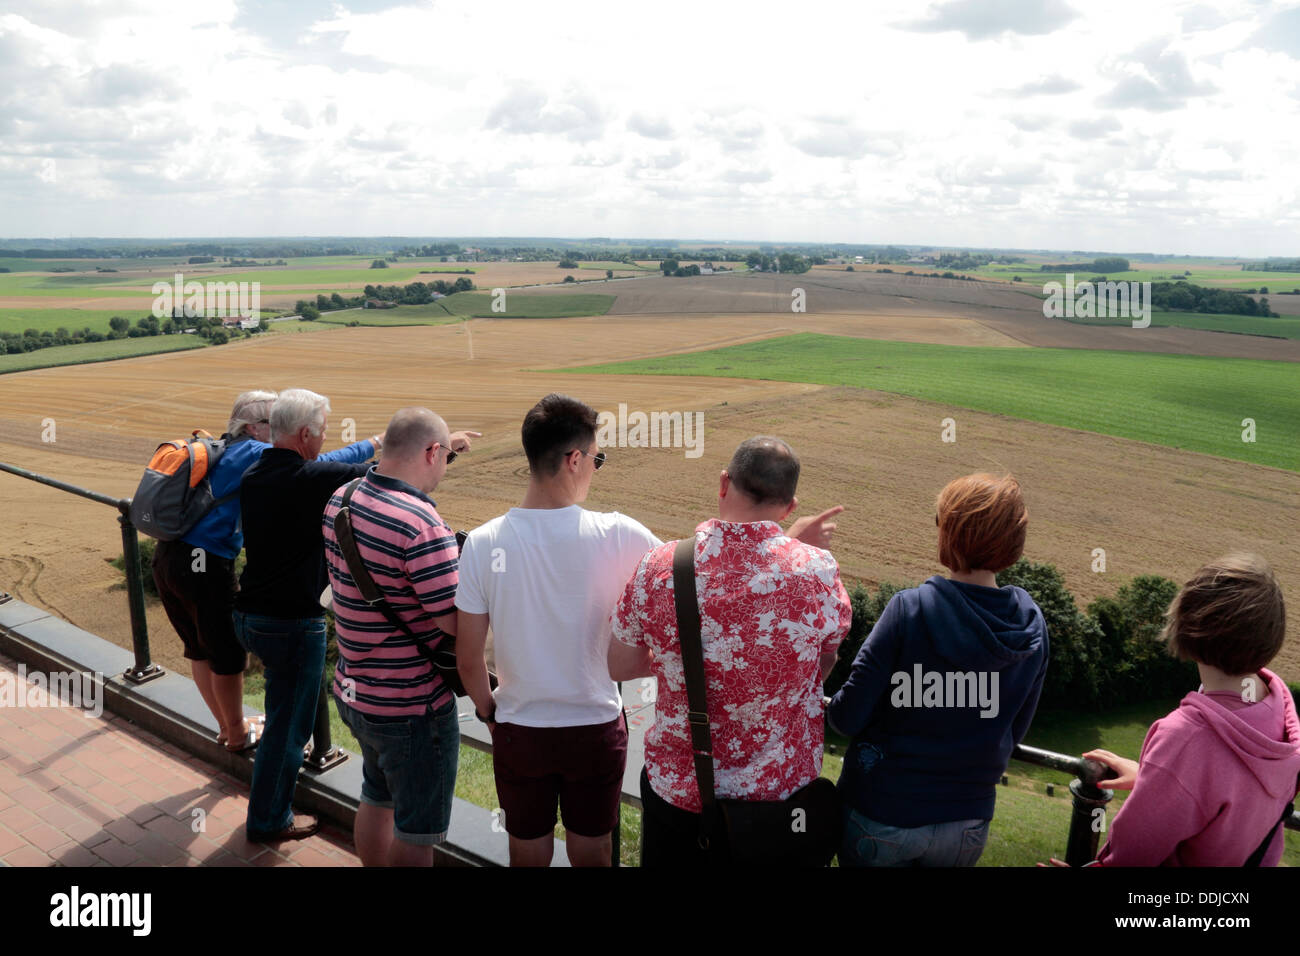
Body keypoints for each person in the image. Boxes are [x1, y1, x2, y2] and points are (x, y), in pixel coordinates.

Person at [233, 388, 476, 842]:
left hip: (257, 618)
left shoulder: (261, 474)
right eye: (322, 432)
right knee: (288, 731)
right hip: (302, 630)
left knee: (372, 791)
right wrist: (439, 447)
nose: (326, 440)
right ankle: (267, 820)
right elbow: (379, 473)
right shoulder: (320, 484)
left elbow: (363, 467)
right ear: (305, 435)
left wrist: (410, 445)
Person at [607, 436, 852, 866]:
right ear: (790, 506)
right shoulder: (818, 571)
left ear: (724, 483)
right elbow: (823, 662)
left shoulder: (660, 566)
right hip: (780, 805)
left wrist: (674, 662)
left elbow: (620, 664)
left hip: (681, 797)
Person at [454, 394, 658, 867]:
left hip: (520, 729)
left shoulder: (483, 543)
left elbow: (468, 660)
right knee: (592, 846)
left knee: (526, 849)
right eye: (596, 459)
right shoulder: (620, 534)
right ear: (573, 460)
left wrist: (491, 711)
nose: (594, 468)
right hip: (595, 729)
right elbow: (694, 579)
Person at [827, 473, 1048, 867]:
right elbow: (1013, 733)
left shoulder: (908, 611)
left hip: (882, 812)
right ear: (1015, 543)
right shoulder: (1031, 628)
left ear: (948, 534)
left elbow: (846, 717)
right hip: (967, 821)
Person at [151, 389, 379, 753]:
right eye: (274, 423)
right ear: (255, 427)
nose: (279, 431)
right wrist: (373, 444)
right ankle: (238, 735)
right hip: (205, 564)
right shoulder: (257, 453)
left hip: (169, 557)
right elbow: (317, 467)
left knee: (199, 649)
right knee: (226, 654)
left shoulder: (225, 448)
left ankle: (229, 727)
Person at [1073, 554, 1300, 867]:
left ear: (1187, 624)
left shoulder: (1186, 739)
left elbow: (1133, 856)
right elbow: (1232, 797)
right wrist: (1155, 782)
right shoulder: (1279, 707)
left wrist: (1168, 774)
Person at [321, 408, 462, 866]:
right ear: (432, 452)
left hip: (356, 692)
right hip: (412, 707)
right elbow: (453, 621)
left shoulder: (340, 500)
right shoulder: (420, 524)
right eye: (445, 459)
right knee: (417, 831)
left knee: (376, 795)